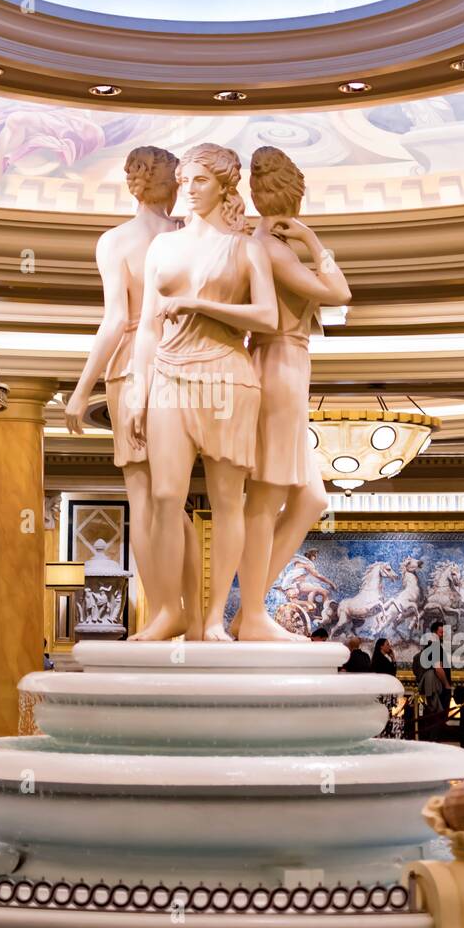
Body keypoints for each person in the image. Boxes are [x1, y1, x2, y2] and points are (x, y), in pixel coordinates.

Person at [129, 143, 278, 640]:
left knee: (227, 501)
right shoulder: (163, 247)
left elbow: (267, 317)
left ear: (223, 186)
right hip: (169, 373)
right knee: (166, 496)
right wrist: (137, 388)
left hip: (227, 376)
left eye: (200, 182)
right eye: (185, 181)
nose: (188, 190)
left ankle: (214, 618)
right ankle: (168, 611)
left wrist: (200, 305)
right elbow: (148, 327)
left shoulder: (245, 246)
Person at [65, 145, 202, 639]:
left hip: (137, 368)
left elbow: (114, 321)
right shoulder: (188, 237)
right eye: (174, 176)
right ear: (158, 180)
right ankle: (190, 615)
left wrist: (81, 390)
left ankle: (168, 611)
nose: (180, 184)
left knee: (146, 497)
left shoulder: (121, 241)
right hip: (181, 365)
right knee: (174, 500)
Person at [233, 146, 350, 641]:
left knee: (311, 498)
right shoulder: (272, 248)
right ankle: (251, 616)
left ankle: (250, 609)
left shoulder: (269, 245)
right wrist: (314, 241)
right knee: (265, 497)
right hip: (276, 364)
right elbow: (340, 292)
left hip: (289, 367)